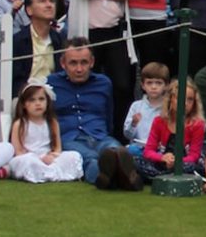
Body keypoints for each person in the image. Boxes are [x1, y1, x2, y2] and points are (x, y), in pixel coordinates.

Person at [65, 0, 137, 139]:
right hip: (87, 35)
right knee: (86, 84)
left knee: (122, 85)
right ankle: (87, 132)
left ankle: (118, 134)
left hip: (115, 32)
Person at [48, 39, 141, 191]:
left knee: (115, 150)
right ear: (63, 63)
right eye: (73, 63)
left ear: (92, 62)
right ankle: (115, 179)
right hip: (70, 138)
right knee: (89, 159)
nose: (79, 69)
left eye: (84, 62)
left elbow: (109, 115)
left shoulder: (104, 83)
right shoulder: (51, 84)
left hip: (99, 136)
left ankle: (118, 177)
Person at [8, 79, 84, 183]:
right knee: (27, 162)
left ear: (47, 102)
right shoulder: (20, 124)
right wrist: (38, 159)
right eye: (32, 100)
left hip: (49, 158)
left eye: (41, 99)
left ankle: (48, 172)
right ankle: (50, 173)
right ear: (24, 104)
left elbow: (57, 148)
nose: (38, 103)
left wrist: (51, 156)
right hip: (30, 158)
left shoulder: (52, 122)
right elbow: (18, 151)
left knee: (73, 156)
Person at [137, 78, 206, 181]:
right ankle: (157, 176)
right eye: (180, 98)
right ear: (170, 99)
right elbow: (148, 151)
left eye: (190, 99)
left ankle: (155, 178)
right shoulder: (159, 121)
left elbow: (194, 155)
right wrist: (163, 158)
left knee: (191, 167)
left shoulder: (197, 124)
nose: (185, 103)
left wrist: (177, 161)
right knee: (137, 160)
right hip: (162, 163)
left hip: (184, 164)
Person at [123, 62, 170, 158]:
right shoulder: (136, 106)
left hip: (159, 150)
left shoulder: (168, 107)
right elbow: (127, 135)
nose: (153, 87)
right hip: (138, 148)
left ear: (166, 85)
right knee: (125, 152)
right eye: (149, 83)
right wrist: (133, 124)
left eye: (158, 83)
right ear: (143, 85)